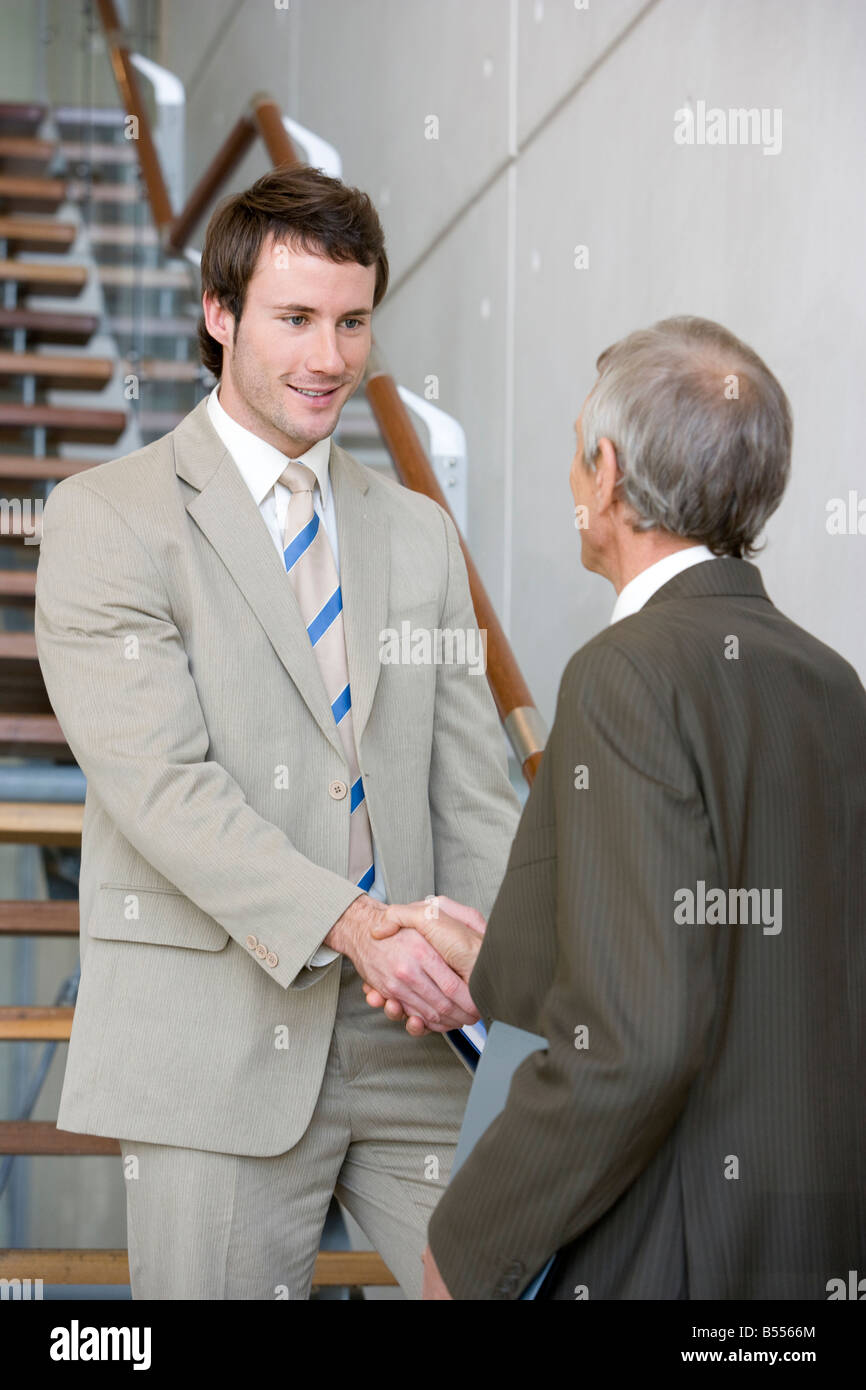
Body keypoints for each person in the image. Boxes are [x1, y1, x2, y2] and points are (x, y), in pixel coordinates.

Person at [34, 163, 521, 1300]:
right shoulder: (106, 521)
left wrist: (504, 966)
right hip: (215, 1034)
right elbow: (166, 791)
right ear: (218, 315)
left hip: (418, 1035)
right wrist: (354, 926)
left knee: (531, 1277)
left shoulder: (415, 533)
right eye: (294, 318)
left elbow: (474, 795)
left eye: (351, 321)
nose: (328, 357)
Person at [406, 315, 866, 1299]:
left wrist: (468, 1244)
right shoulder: (832, 683)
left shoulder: (625, 674)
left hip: (669, 1245)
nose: (572, 483)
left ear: (606, 472)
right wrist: (496, 963)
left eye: (578, 457)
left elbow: (634, 1041)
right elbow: (740, 953)